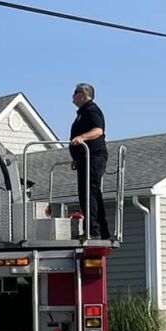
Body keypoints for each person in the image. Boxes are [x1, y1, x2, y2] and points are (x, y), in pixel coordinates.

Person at [69, 83, 109, 239]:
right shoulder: (82, 113)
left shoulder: (91, 110)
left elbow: (98, 130)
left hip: (93, 157)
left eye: (75, 92)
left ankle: (93, 231)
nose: (72, 95)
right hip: (84, 159)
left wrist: (82, 137)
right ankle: (100, 230)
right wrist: (77, 158)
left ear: (84, 94)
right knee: (89, 193)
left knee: (89, 193)